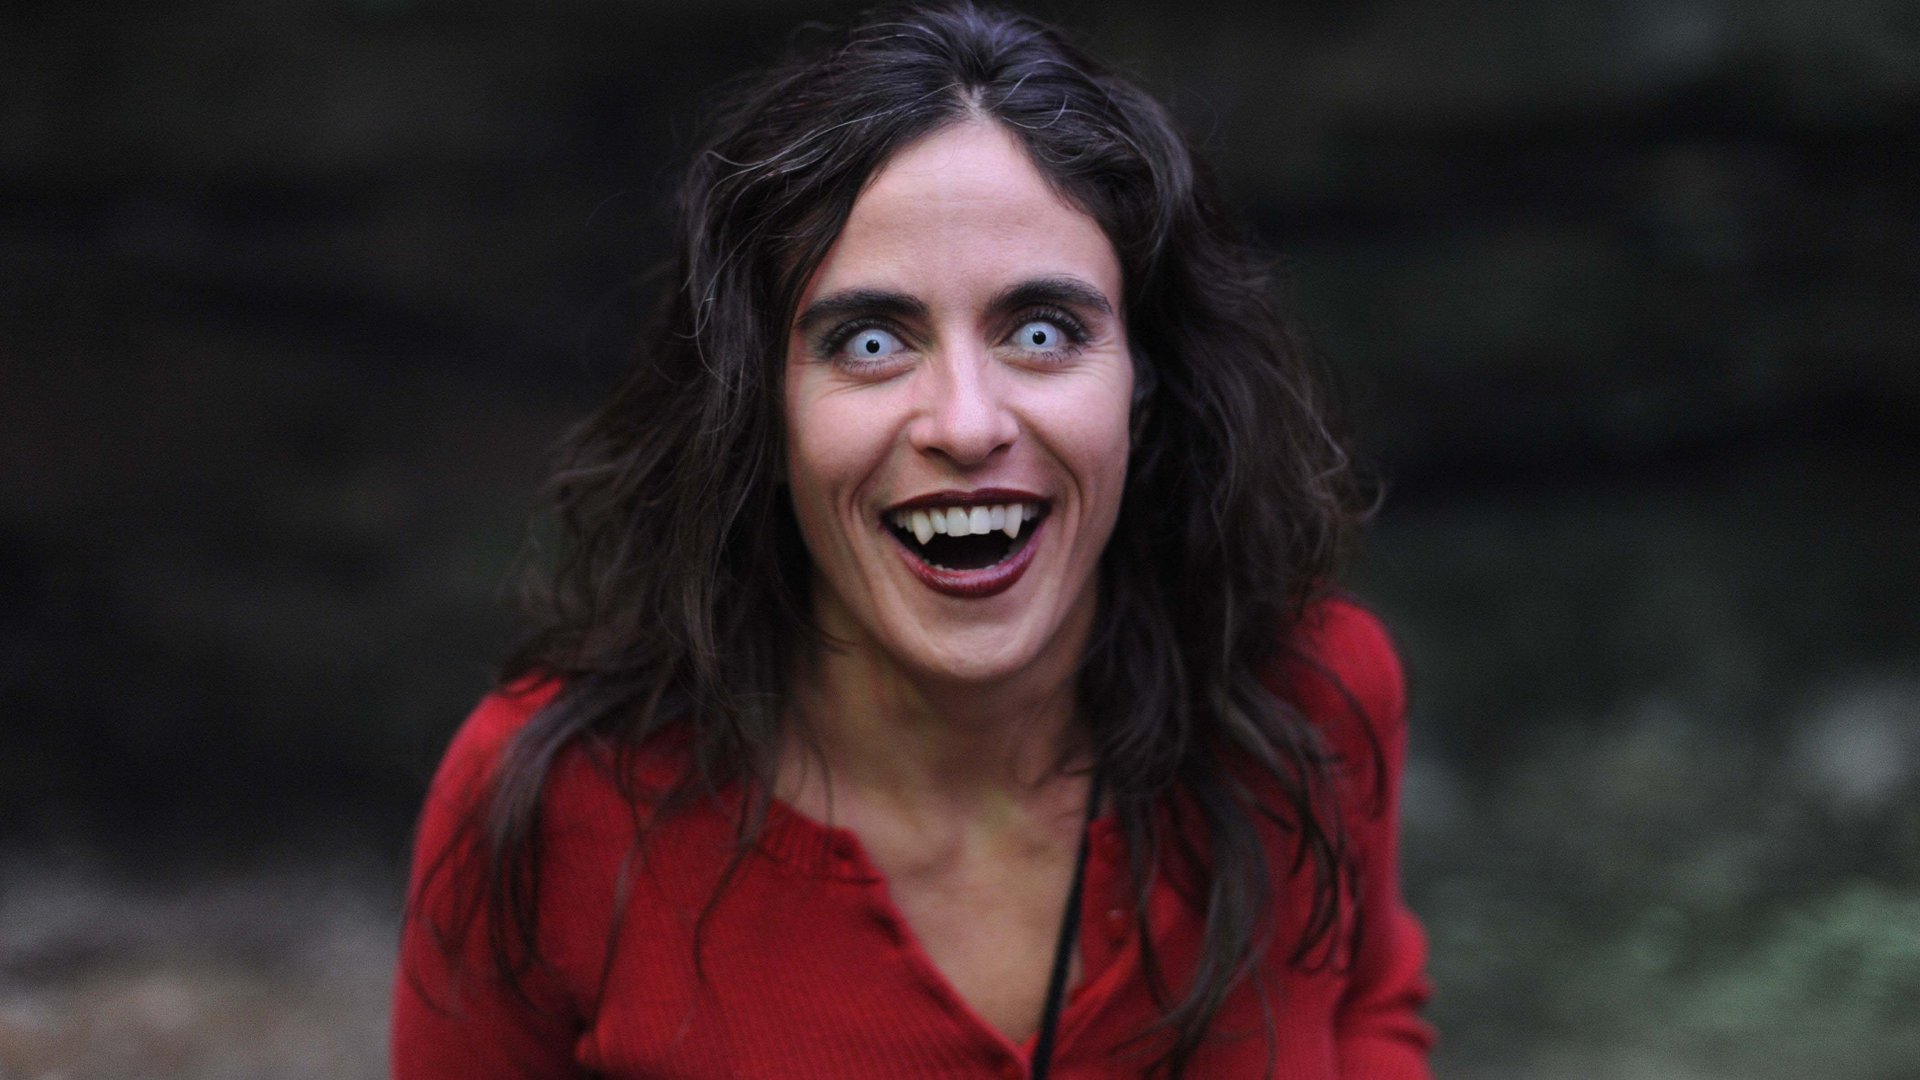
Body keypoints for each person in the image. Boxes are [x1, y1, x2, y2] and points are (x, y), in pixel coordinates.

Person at [391, 4, 1433, 1077]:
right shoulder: (549, 799)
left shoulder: (1309, 699)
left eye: (1042, 332)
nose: (967, 426)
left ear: (1145, 384)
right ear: (759, 413)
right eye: (871, 342)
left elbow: (1365, 1005)